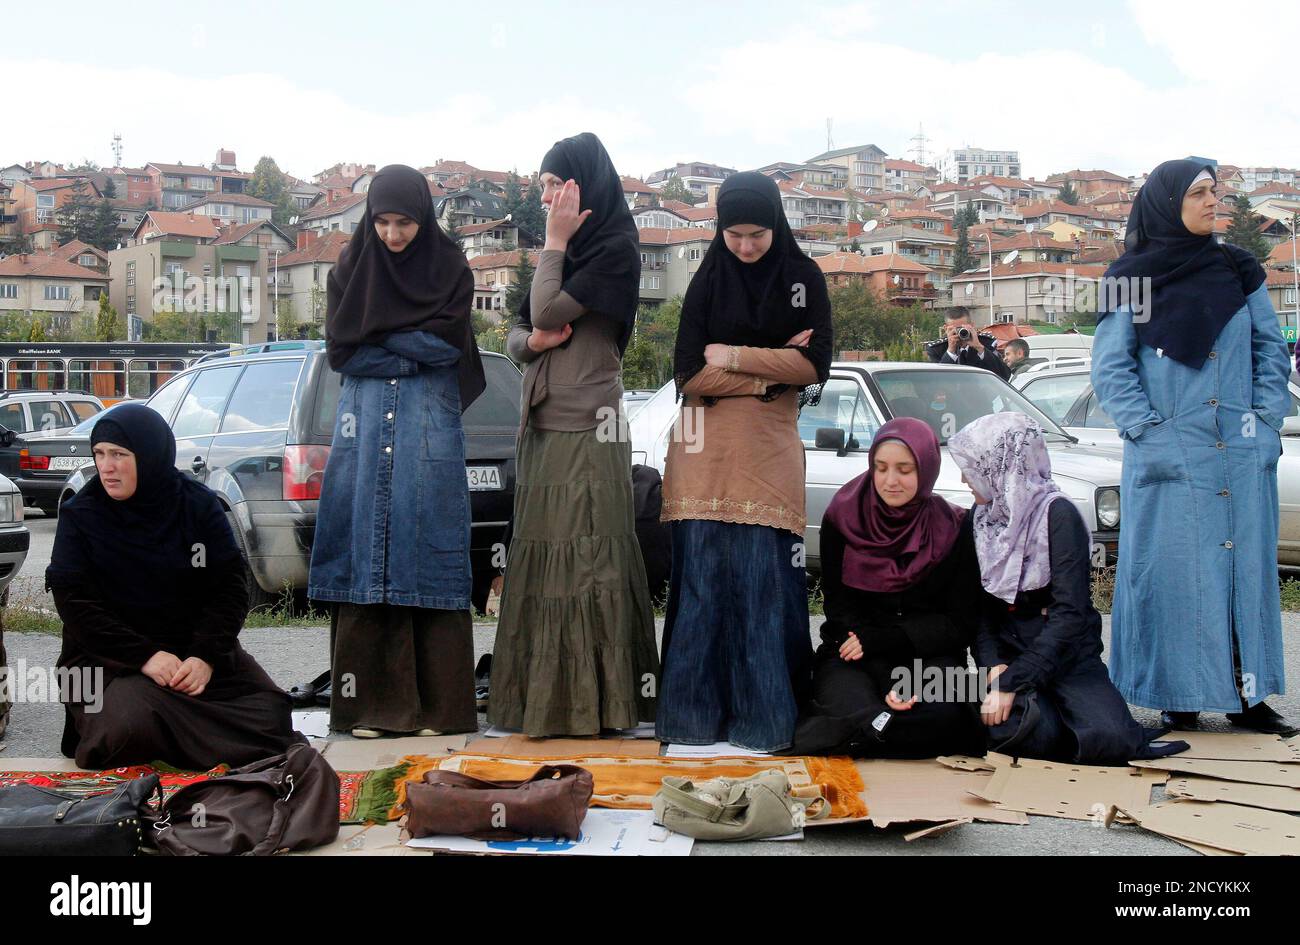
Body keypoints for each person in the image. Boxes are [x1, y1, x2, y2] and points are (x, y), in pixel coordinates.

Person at [1092, 159, 1297, 737]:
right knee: (1173, 575)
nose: (1214, 202)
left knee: (1242, 573)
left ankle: (1247, 699)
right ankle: (1174, 698)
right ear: (1167, 203)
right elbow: (1112, 370)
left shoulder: (1240, 268)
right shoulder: (1129, 276)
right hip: (1167, 451)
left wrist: (1264, 423)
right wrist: (1150, 435)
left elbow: (1269, 353)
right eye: (1201, 192)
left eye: (1216, 191)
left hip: (1240, 450)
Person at [489, 132, 659, 737]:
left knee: (588, 555)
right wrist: (531, 344)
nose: (546, 200)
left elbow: (545, 311)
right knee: (543, 556)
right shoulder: (559, 256)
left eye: (555, 186)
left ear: (584, 185)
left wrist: (554, 247)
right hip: (540, 423)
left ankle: (601, 704)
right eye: (541, 189)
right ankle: (542, 703)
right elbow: (517, 331)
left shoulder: (615, 250)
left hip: (589, 425)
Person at [657, 171, 833, 753]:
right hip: (702, 453)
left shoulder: (803, 279)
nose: (747, 246)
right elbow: (688, 374)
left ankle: (765, 723)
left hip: (767, 455)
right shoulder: (707, 282)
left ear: (776, 225)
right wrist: (767, 375)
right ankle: (693, 723)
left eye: (757, 234)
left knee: (765, 584)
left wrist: (733, 357)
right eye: (734, 235)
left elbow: (814, 367)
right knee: (704, 585)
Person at [309, 164, 484, 739]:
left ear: (422, 218)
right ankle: (371, 710)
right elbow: (343, 352)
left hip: (426, 428)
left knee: (425, 540)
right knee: (368, 546)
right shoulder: (348, 269)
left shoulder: (451, 268)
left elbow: (447, 344)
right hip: (364, 431)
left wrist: (378, 336)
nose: (392, 234)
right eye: (381, 221)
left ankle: (440, 709)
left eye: (403, 221)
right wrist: (409, 351)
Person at [46, 405, 301, 770]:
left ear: (149, 455)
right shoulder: (81, 514)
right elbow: (76, 606)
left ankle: (178, 735)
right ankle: (201, 738)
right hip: (107, 662)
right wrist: (146, 657)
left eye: (119, 455)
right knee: (128, 726)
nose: (107, 466)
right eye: (100, 454)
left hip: (190, 654)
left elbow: (229, 588)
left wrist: (204, 657)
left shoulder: (196, 506)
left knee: (272, 714)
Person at [948, 413, 1187, 764]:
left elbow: (1070, 615)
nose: (964, 478)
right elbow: (977, 609)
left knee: (1110, 741)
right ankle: (1047, 717)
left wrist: (1014, 682)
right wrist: (992, 665)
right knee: (1002, 727)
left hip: (1065, 655)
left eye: (973, 467)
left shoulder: (1058, 516)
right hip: (1008, 654)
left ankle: (1057, 716)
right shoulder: (980, 521)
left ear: (1003, 464)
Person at [790, 419, 986, 758]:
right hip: (853, 654)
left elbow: (959, 624)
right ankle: (877, 726)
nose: (890, 481)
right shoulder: (842, 516)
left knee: (951, 712)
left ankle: (868, 732)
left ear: (926, 470)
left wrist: (899, 668)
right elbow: (839, 612)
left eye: (904, 470)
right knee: (844, 704)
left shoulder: (954, 527)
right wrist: (887, 678)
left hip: (932, 658)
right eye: (880, 468)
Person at [925, 306, 1011, 380]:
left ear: (972, 326)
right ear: (945, 328)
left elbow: (1004, 375)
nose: (960, 333)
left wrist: (979, 347)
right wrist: (950, 352)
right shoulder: (937, 349)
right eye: (954, 329)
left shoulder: (986, 343)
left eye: (962, 329)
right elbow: (937, 380)